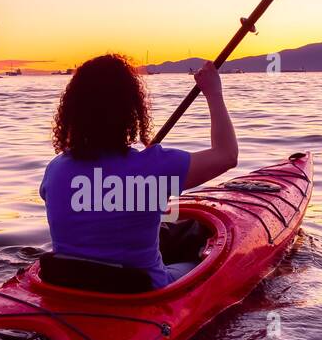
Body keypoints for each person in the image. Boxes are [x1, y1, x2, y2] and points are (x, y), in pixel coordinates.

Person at [40, 54, 238, 288]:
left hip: (69, 285)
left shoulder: (55, 170)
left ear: (73, 111)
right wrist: (213, 93)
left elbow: (99, 207)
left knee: (169, 230)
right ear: (131, 110)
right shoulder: (157, 166)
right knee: (205, 261)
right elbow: (227, 155)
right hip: (140, 291)